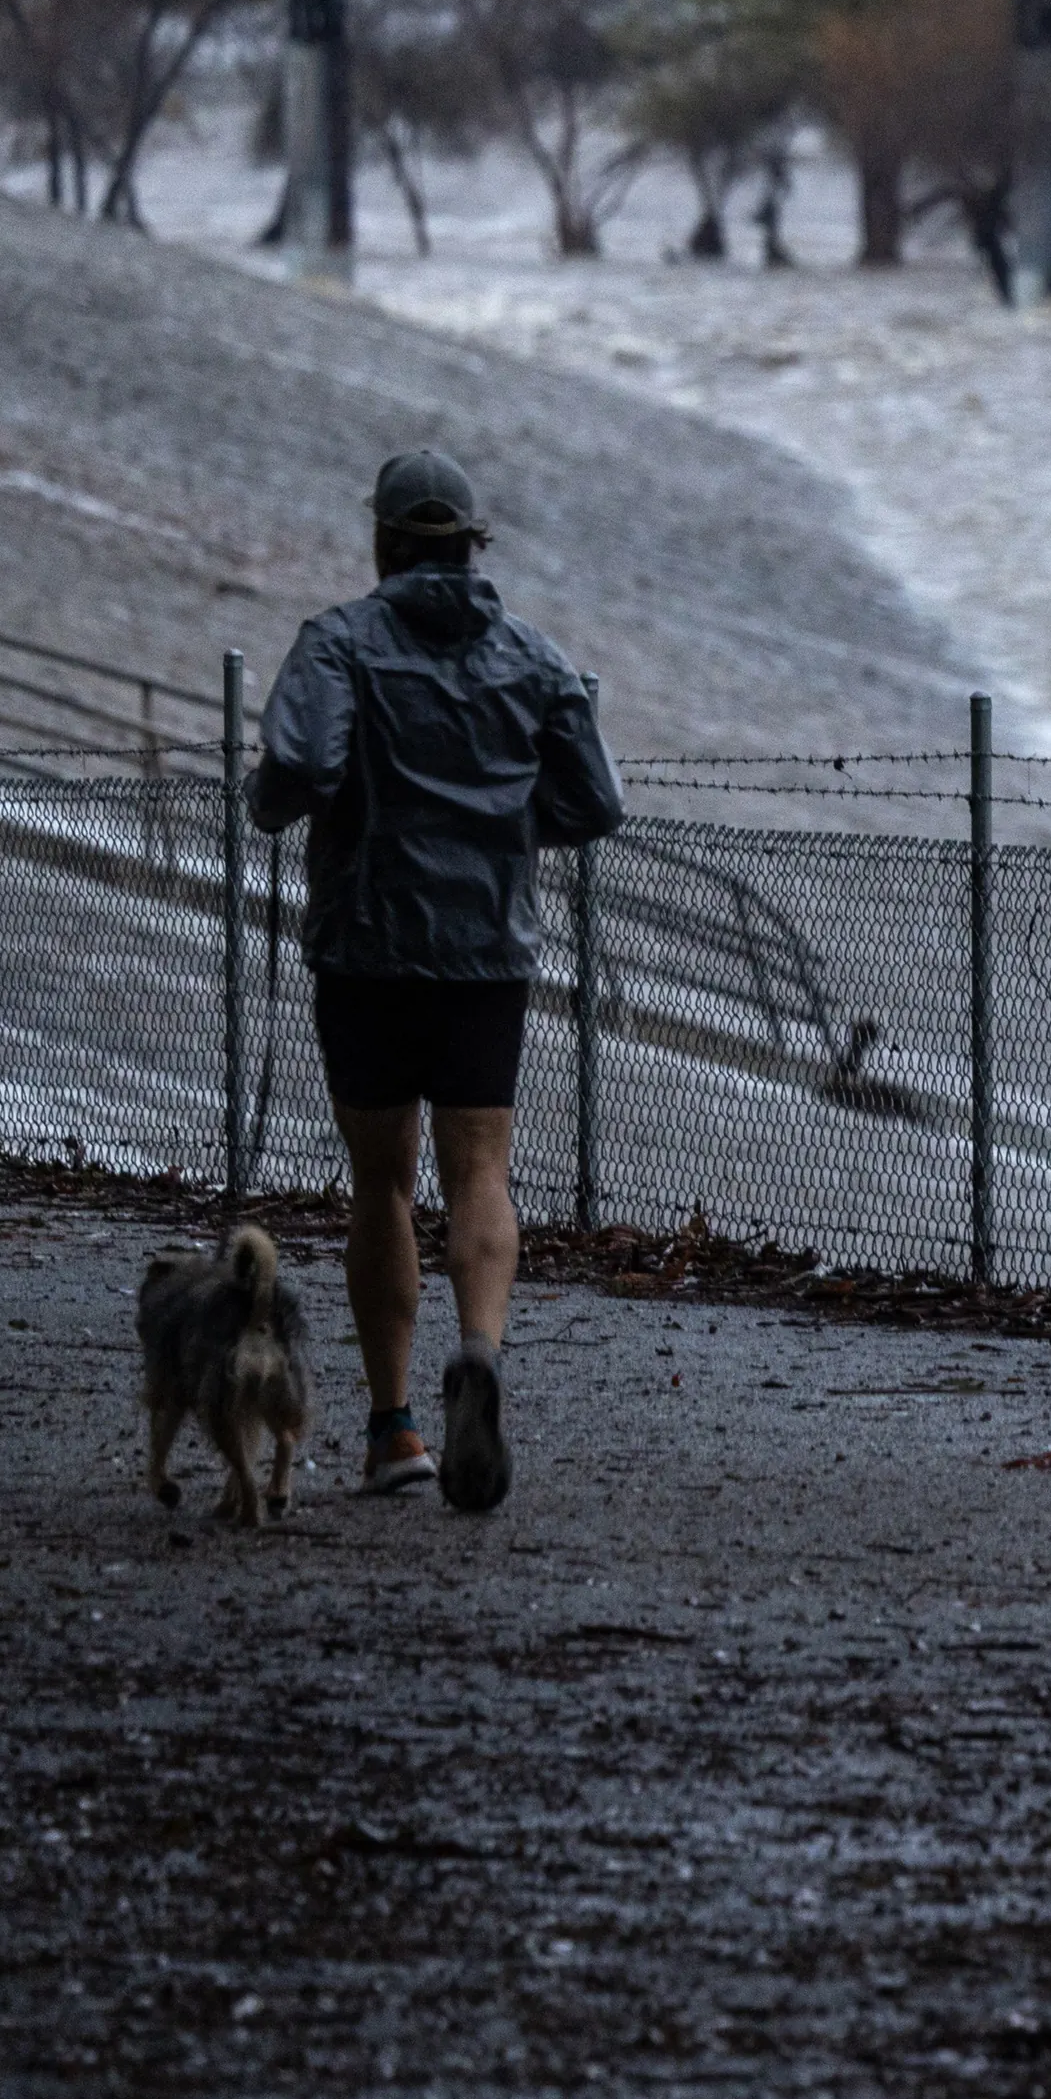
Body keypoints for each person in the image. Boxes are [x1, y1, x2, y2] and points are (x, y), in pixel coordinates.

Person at [252, 451, 623, 1513]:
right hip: (484, 955)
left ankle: (394, 1430)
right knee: (481, 1174)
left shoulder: (337, 644)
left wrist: (267, 803)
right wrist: (504, 833)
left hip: (367, 947)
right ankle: (481, 1353)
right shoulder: (534, 658)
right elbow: (596, 803)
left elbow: (300, 770)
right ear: (473, 548)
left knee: (382, 1185)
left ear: (381, 543)